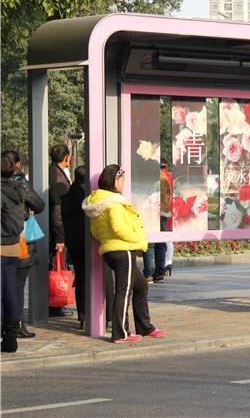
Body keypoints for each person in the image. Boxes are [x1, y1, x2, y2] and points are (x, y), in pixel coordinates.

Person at [82, 165, 166, 343]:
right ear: (114, 180)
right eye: (121, 180)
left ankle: (144, 327)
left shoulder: (98, 202)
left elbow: (95, 232)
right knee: (124, 290)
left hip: (111, 250)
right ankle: (121, 333)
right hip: (123, 250)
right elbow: (119, 227)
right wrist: (136, 237)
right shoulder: (113, 203)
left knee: (141, 285)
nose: (123, 184)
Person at [1, 151, 45, 353]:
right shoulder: (20, 188)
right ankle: (11, 337)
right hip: (14, 244)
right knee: (10, 291)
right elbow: (37, 205)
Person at [62, 166, 90, 328]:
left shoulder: (68, 195)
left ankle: (83, 316)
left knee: (80, 278)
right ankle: (99, 315)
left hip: (73, 242)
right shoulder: (89, 196)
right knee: (96, 278)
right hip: (88, 241)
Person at [48, 143, 71, 317]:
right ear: (66, 157)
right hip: (56, 231)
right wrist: (60, 238)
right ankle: (55, 304)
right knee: (55, 267)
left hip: (54, 230)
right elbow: (57, 211)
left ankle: (55, 304)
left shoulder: (52, 173)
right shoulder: (58, 179)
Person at [143, 163, 171, 284]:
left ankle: (148, 273)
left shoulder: (150, 178)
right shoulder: (164, 177)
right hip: (163, 212)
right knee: (160, 243)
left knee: (149, 243)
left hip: (152, 212)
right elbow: (169, 194)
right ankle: (159, 273)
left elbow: (147, 195)